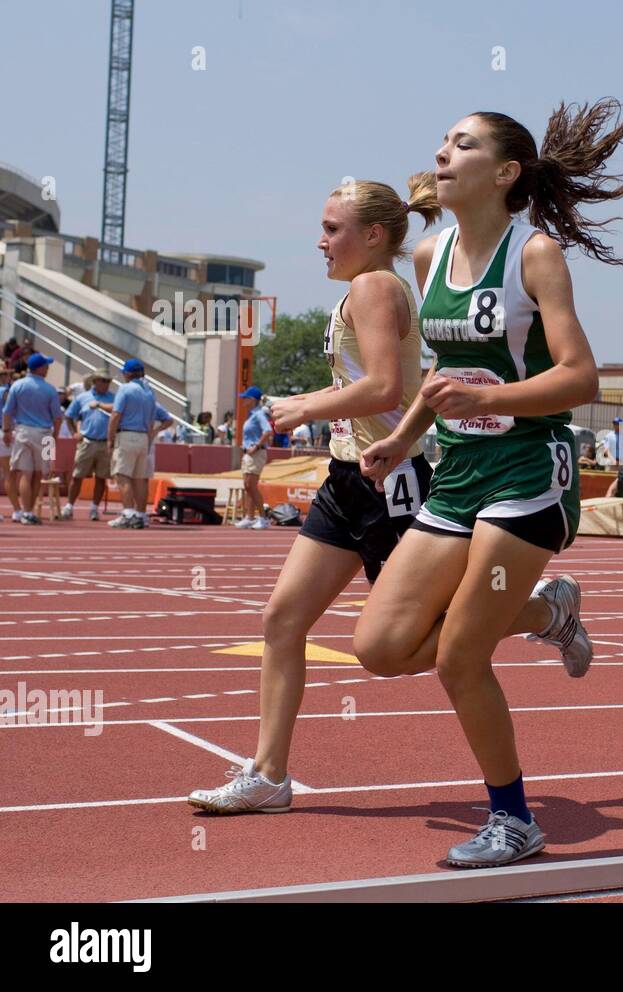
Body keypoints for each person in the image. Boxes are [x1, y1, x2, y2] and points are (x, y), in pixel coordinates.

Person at [353, 100, 623, 868]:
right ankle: (546, 610)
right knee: (379, 648)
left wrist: (490, 401)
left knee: (457, 657)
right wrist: (402, 441)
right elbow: (440, 375)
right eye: (442, 140)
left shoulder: (535, 255)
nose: (442, 154)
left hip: (528, 475)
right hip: (458, 477)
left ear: (505, 173)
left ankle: (514, 820)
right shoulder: (429, 257)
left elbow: (580, 377)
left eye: (462, 144)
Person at [191, 177, 456, 814]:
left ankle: (535, 611)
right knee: (282, 620)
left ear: (373, 236)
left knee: (397, 650)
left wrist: (306, 404)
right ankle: (269, 774)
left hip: (393, 483)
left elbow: (388, 389)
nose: (320, 242)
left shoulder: (373, 286)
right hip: (348, 480)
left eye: (332, 229)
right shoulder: (367, 289)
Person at [1, 353, 62, 524]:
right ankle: (29, 511)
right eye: (46, 366)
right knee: (40, 474)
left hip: (22, 431)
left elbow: (8, 411)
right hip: (44, 433)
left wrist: (6, 431)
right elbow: (58, 417)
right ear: (40, 368)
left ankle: (25, 511)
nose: (48, 368)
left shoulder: (17, 386)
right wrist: (55, 436)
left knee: (25, 473)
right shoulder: (50, 389)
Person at [107, 358, 155, 529]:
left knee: (122, 475)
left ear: (128, 373)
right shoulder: (149, 392)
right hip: (143, 437)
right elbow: (151, 420)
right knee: (140, 478)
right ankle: (141, 514)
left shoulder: (125, 389)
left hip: (127, 435)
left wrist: (110, 438)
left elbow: (116, 415)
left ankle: (128, 513)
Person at [62, 368, 116, 521]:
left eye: (108, 381)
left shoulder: (114, 398)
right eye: (103, 380)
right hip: (87, 441)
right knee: (77, 475)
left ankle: (94, 508)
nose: (106, 384)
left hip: (104, 442)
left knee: (101, 477)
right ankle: (69, 506)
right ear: (95, 381)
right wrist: (74, 433)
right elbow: (69, 416)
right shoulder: (82, 398)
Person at [236, 387, 273, 529]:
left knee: (251, 485)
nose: (243, 400)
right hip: (249, 453)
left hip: (256, 453)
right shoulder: (252, 414)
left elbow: (268, 431)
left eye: (245, 398)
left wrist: (256, 446)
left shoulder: (258, 414)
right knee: (248, 486)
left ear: (252, 400)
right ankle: (250, 517)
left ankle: (263, 518)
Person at [0, 367, 19, 521]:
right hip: (4, 432)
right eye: (5, 374)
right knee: (9, 474)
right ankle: (17, 509)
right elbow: (10, 411)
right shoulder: (5, 391)